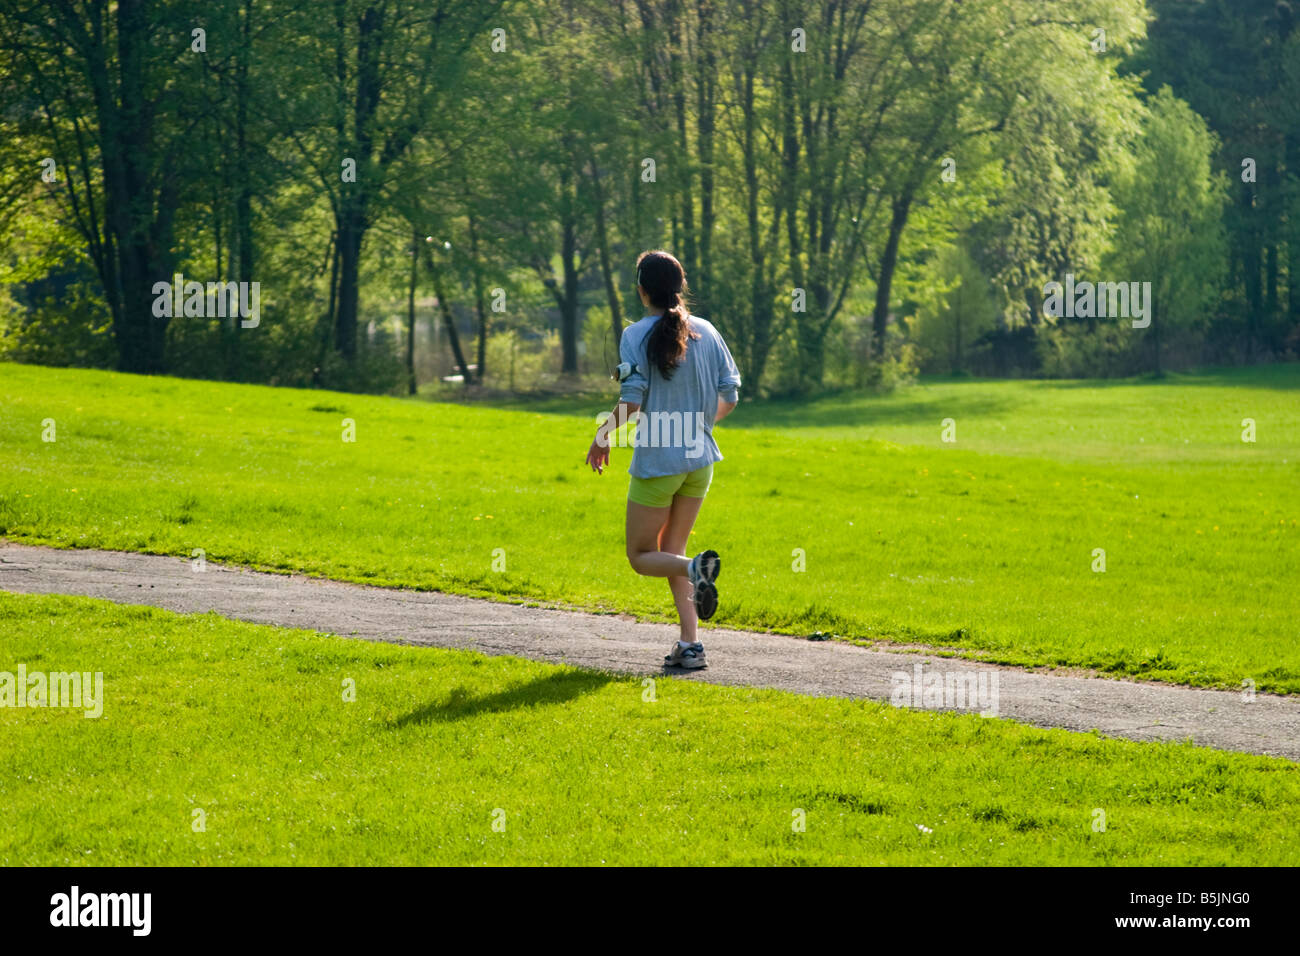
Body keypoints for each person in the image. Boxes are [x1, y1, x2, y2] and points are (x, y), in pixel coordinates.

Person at [585, 250, 741, 670]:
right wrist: (699, 427)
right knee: (672, 550)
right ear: (680, 286)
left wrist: (601, 437)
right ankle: (691, 646)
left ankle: (696, 568)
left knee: (641, 556)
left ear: (641, 290)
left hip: (659, 462)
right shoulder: (706, 330)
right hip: (700, 460)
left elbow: (631, 402)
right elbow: (731, 395)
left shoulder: (634, 334)